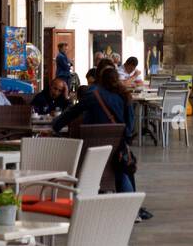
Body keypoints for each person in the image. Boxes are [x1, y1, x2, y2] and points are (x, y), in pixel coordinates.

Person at [52, 64, 153, 219]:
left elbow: (72, 112)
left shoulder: (93, 95)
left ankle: (82, 206)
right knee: (121, 169)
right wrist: (123, 141)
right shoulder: (124, 96)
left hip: (92, 154)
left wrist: (56, 126)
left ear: (100, 79)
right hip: (117, 151)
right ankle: (132, 210)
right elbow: (130, 126)